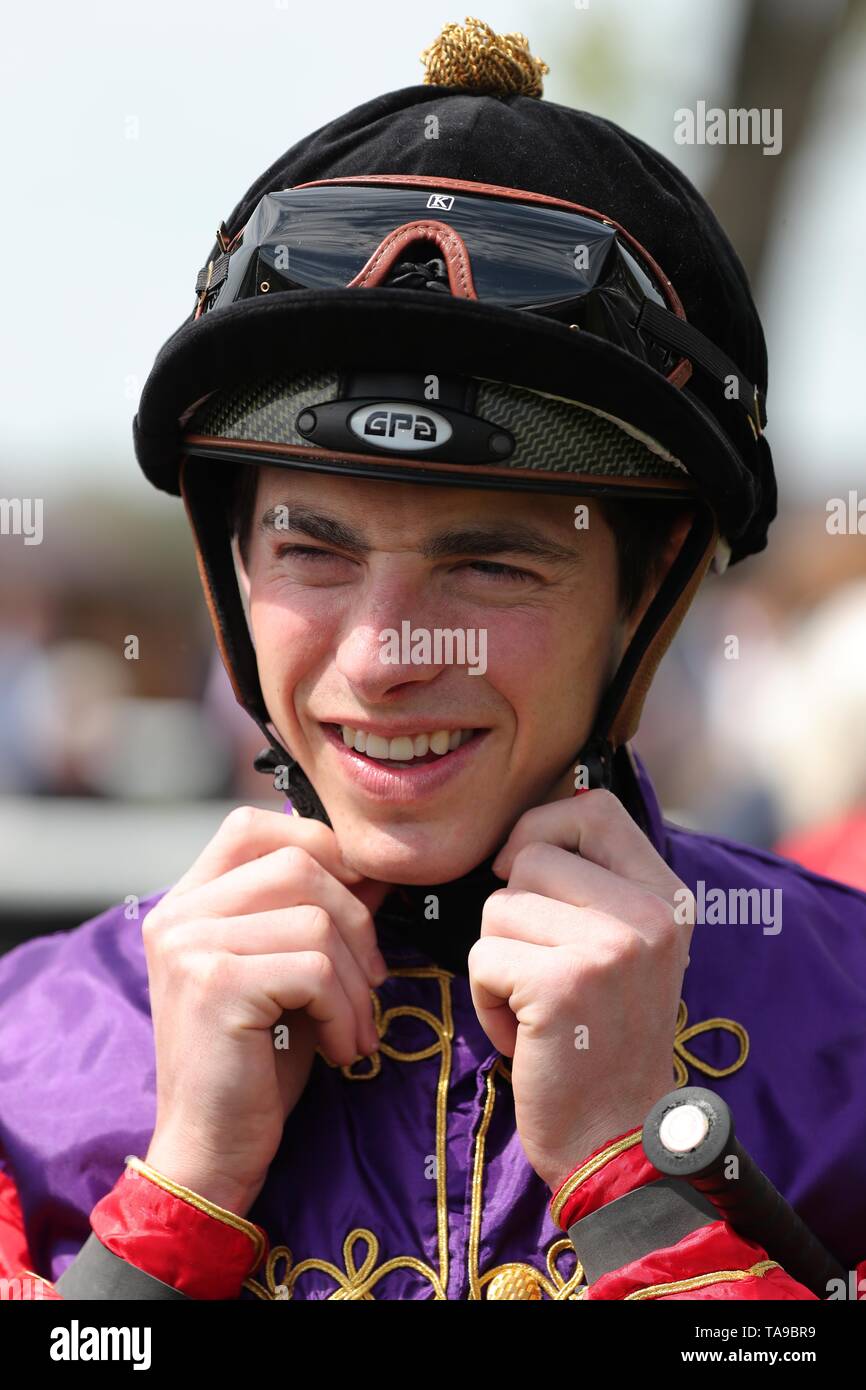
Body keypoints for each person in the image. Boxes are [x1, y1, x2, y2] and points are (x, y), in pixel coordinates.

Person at [1, 17, 865, 1303]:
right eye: (313, 551)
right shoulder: (24, 1054)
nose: (388, 653)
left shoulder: (846, 1025)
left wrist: (635, 1187)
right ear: (224, 574)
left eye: (490, 564)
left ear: (648, 595)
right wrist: (171, 1204)